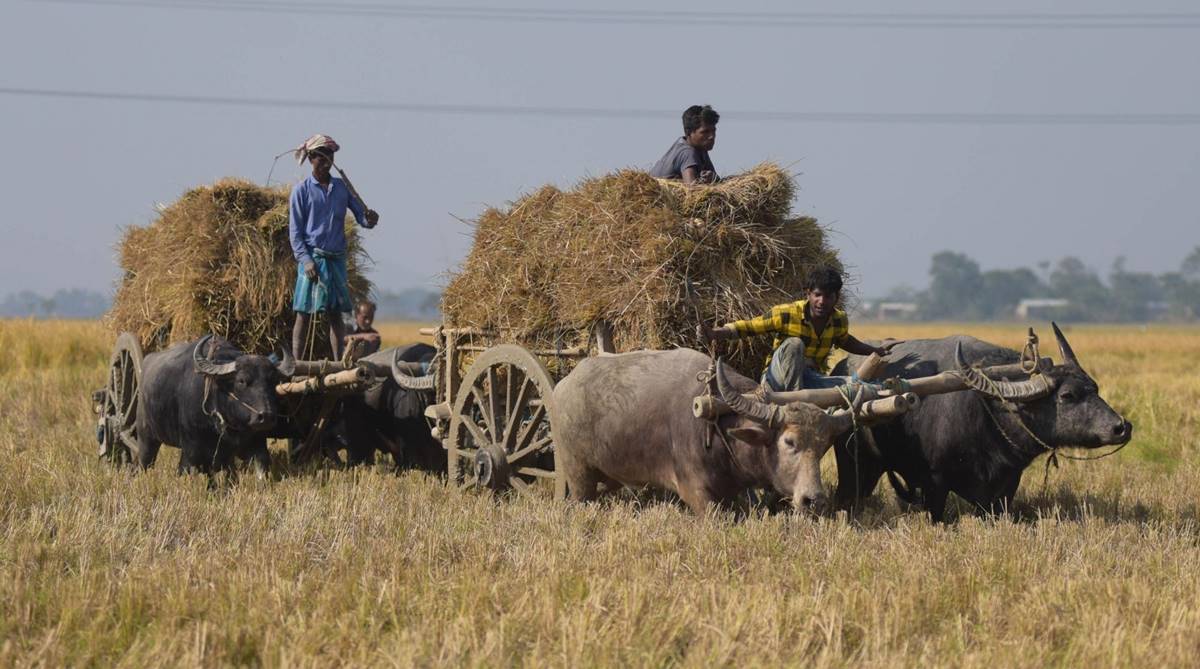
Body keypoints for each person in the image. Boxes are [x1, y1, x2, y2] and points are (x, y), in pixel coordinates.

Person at [699, 268, 900, 391]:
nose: (822, 302)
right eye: (817, 295)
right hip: (777, 379)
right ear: (808, 294)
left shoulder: (839, 319)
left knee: (856, 387)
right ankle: (796, 398)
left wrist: (877, 350)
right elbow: (750, 327)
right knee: (795, 344)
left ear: (836, 298)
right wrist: (716, 334)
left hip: (812, 379)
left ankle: (886, 388)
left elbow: (846, 341)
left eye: (828, 297)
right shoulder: (787, 313)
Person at [288, 134, 379, 360]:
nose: (326, 160)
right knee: (303, 314)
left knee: (335, 315)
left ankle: (339, 363)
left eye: (330, 156)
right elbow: (295, 233)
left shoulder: (341, 188)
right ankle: (297, 363)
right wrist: (306, 261)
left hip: (336, 258)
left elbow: (361, 217)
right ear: (311, 159)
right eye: (321, 157)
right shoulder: (301, 191)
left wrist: (370, 219)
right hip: (312, 259)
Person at [649, 105, 719, 184]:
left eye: (713, 131)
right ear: (688, 133)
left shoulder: (701, 148)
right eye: (705, 132)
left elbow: (717, 181)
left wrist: (713, 178)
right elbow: (692, 191)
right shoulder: (687, 153)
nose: (711, 136)